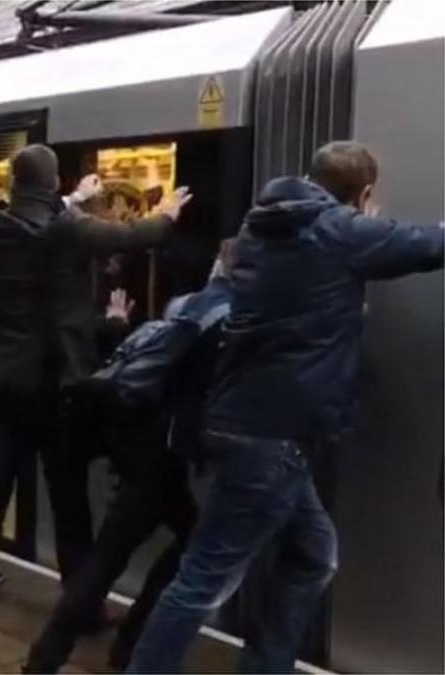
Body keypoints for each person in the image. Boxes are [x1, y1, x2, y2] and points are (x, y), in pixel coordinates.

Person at [127, 142, 444, 673]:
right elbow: (428, 243)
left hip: (250, 426)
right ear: (363, 195)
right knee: (205, 579)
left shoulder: (263, 229)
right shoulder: (338, 232)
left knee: (312, 556)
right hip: (271, 436)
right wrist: (364, 228)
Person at [0, 144, 192, 663]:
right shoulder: (66, 230)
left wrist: (74, 199)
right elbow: (129, 236)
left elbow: (55, 217)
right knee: (68, 498)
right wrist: (166, 213)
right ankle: (87, 602)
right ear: (54, 184)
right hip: (50, 385)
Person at [23, 244, 236, 674]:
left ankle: (78, 652)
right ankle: (71, 654)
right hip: (162, 450)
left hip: (145, 443)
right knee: (118, 555)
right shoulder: (231, 319)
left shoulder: (185, 304)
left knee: (152, 544)